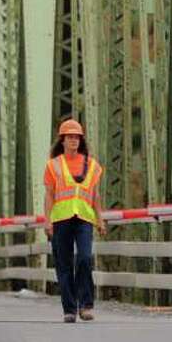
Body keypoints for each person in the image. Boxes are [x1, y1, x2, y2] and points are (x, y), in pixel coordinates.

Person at [43, 119, 105, 323]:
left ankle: (86, 305)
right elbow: (49, 195)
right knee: (64, 264)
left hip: (84, 218)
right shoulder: (53, 166)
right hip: (61, 218)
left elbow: (95, 195)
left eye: (77, 137)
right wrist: (47, 221)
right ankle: (69, 309)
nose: (74, 140)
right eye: (70, 137)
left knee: (85, 258)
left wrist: (100, 219)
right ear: (62, 140)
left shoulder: (92, 165)